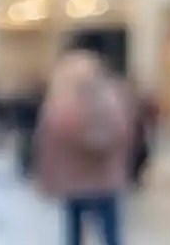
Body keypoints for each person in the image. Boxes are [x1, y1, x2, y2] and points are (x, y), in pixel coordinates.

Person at [36, 51, 133, 245]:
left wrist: (47, 180)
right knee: (110, 232)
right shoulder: (112, 98)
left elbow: (48, 144)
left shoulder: (60, 104)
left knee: (74, 232)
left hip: (74, 181)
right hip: (105, 179)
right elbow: (125, 133)